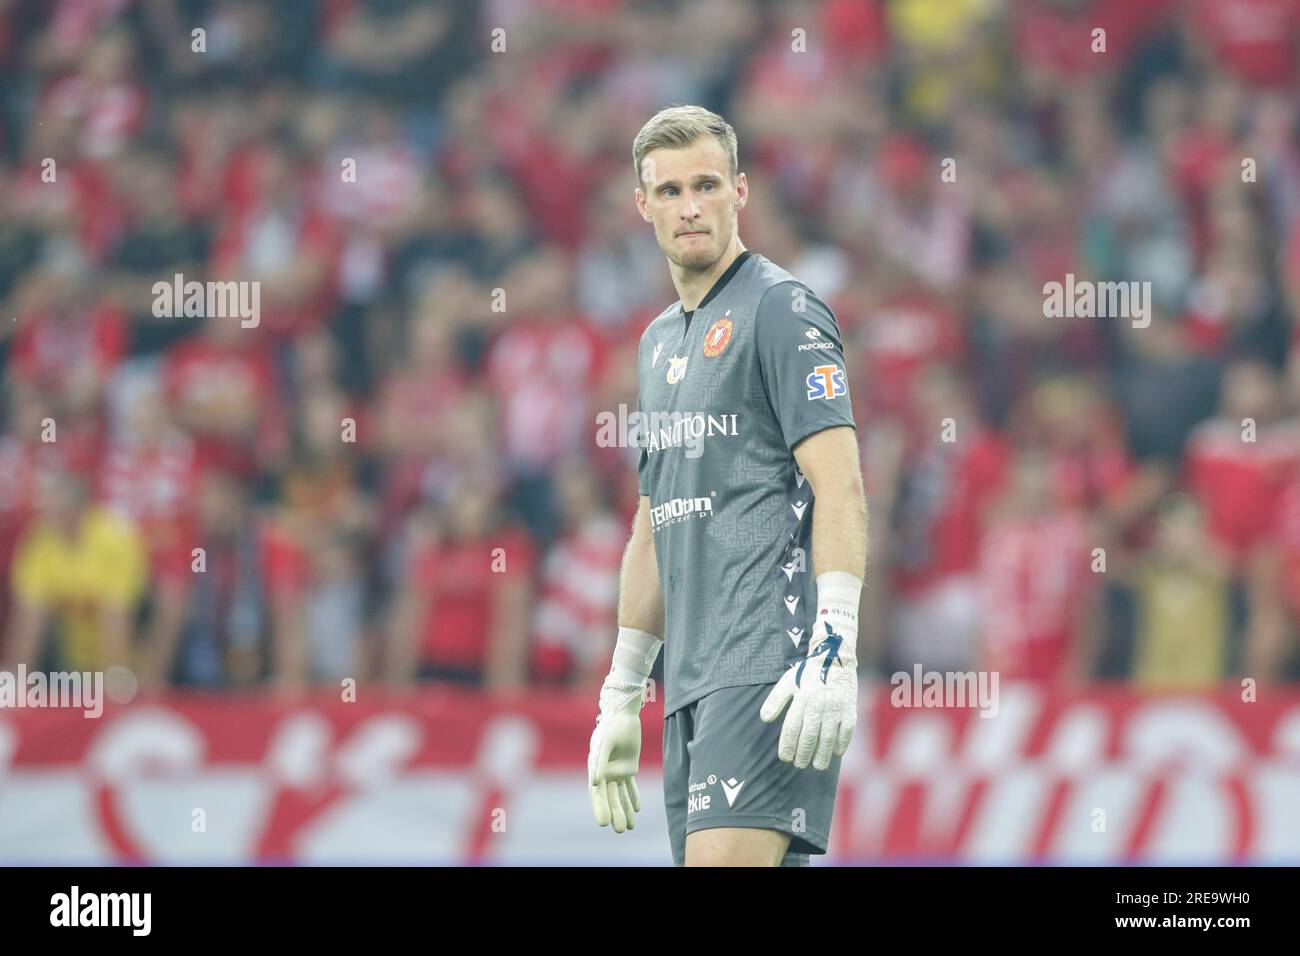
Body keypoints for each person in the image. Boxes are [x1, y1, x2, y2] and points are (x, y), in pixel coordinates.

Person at [586, 105, 868, 867]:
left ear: (739, 191)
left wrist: (833, 645)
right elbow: (654, 524)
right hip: (690, 686)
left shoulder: (782, 309)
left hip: (767, 666)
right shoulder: (655, 345)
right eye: (669, 191)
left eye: (706, 185)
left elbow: (840, 487)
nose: (689, 207)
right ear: (642, 205)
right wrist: (622, 690)